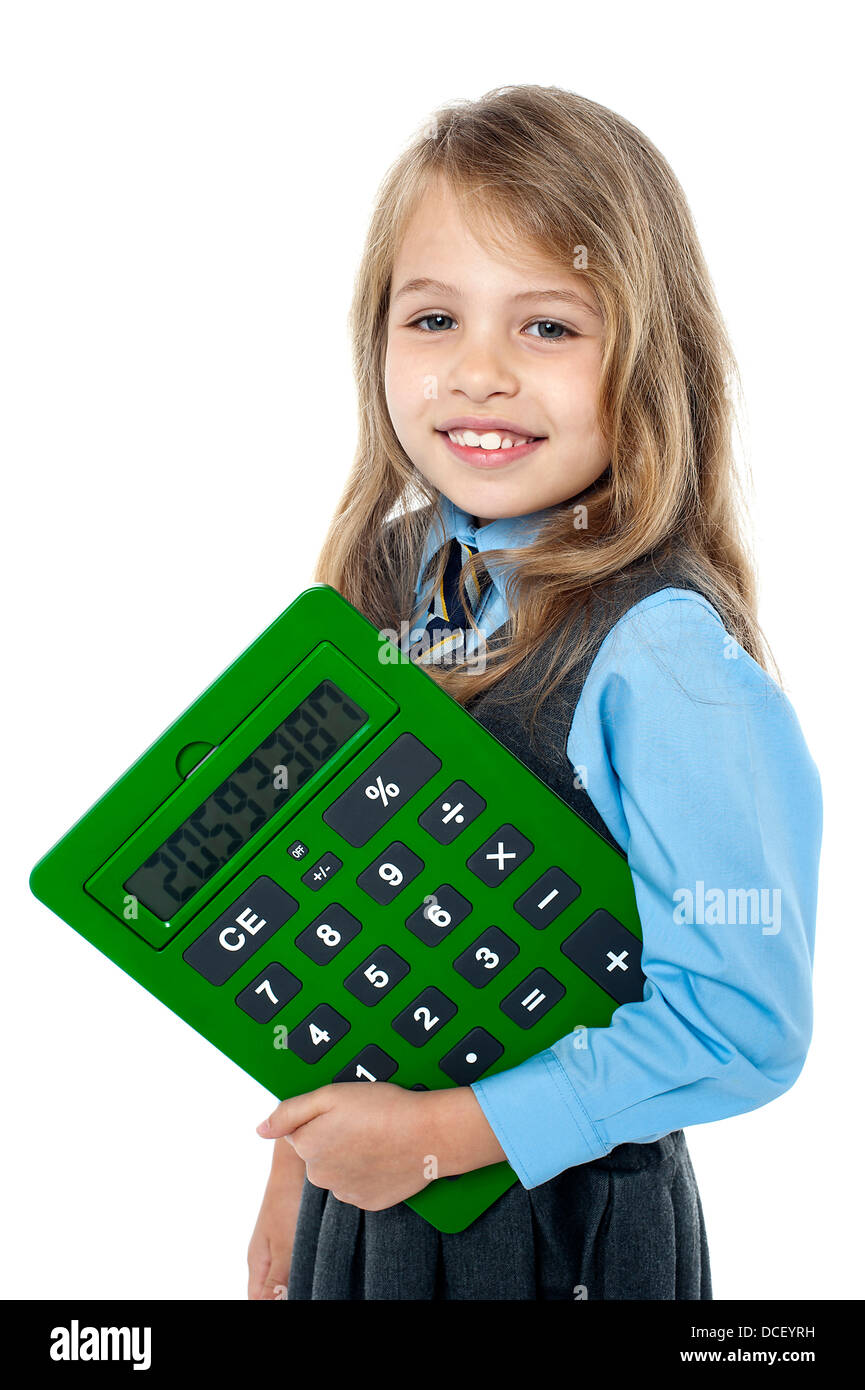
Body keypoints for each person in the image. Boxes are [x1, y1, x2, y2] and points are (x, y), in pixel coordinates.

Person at [246, 84, 822, 1301]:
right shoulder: (385, 582)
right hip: (369, 1216)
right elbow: (337, 951)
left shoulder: (660, 654)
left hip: (565, 1241)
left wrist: (444, 1134)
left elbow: (741, 1022)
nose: (479, 373)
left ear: (647, 355)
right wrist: (293, 1198)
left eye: (549, 327)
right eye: (435, 316)